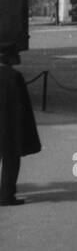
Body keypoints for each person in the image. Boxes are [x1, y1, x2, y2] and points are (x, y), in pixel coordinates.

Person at [0, 47, 41, 206]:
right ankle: (6, 196)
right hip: (9, 127)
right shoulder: (14, 76)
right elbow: (22, 104)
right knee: (11, 162)